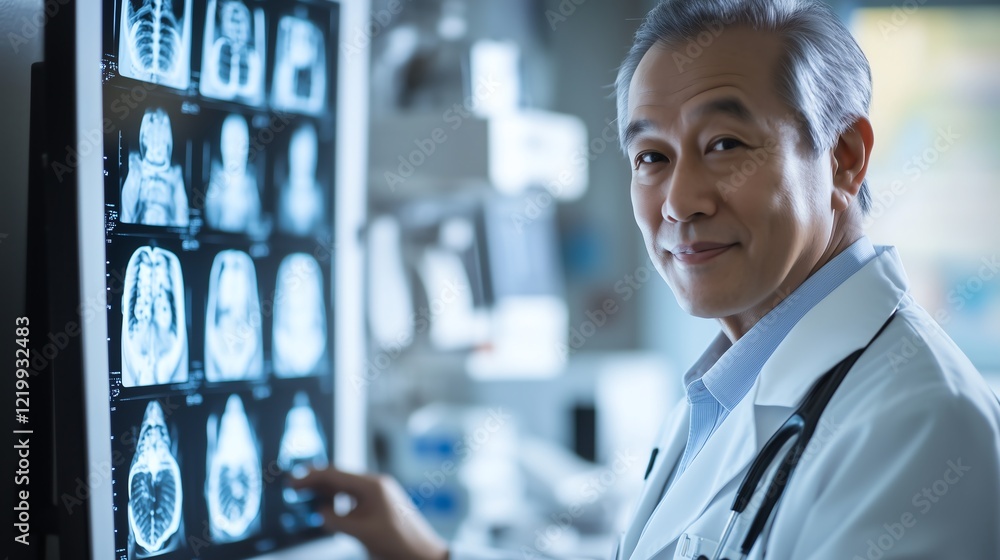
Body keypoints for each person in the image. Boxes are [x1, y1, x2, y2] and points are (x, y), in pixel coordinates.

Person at [291, 0, 1000, 558]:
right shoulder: (730, 386)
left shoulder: (919, 424)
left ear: (844, 157)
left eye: (725, 145)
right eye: (652, 157)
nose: (681, 201)